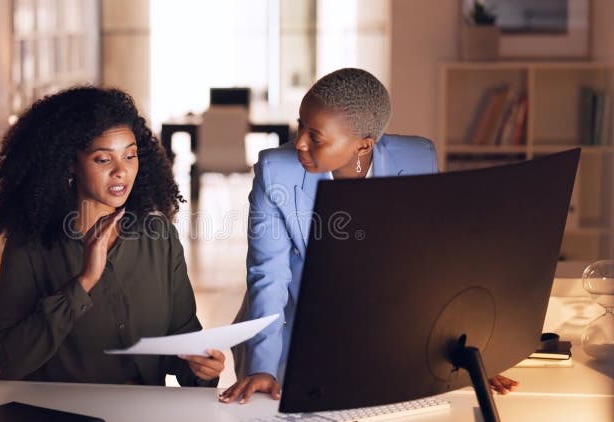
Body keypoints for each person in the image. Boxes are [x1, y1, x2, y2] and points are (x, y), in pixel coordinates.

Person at [220, 68, 518, 403]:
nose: (300, 142)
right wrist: (263, 368)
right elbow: (268, 277)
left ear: (363, 145)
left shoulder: (418, 159)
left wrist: (470, 354)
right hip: (291, 334)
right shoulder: (276, 171)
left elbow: (432, 267)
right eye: (300, 124)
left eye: (315, 137)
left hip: (382, 333)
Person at [0, 86, 225, 386]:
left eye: (130, 156)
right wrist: (83, 281)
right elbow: (12, 360)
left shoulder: (159, 238)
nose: (121, 171)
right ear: (70, 163)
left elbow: (180, 342)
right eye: (103, 159)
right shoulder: (30, 245)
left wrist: (201, 369)